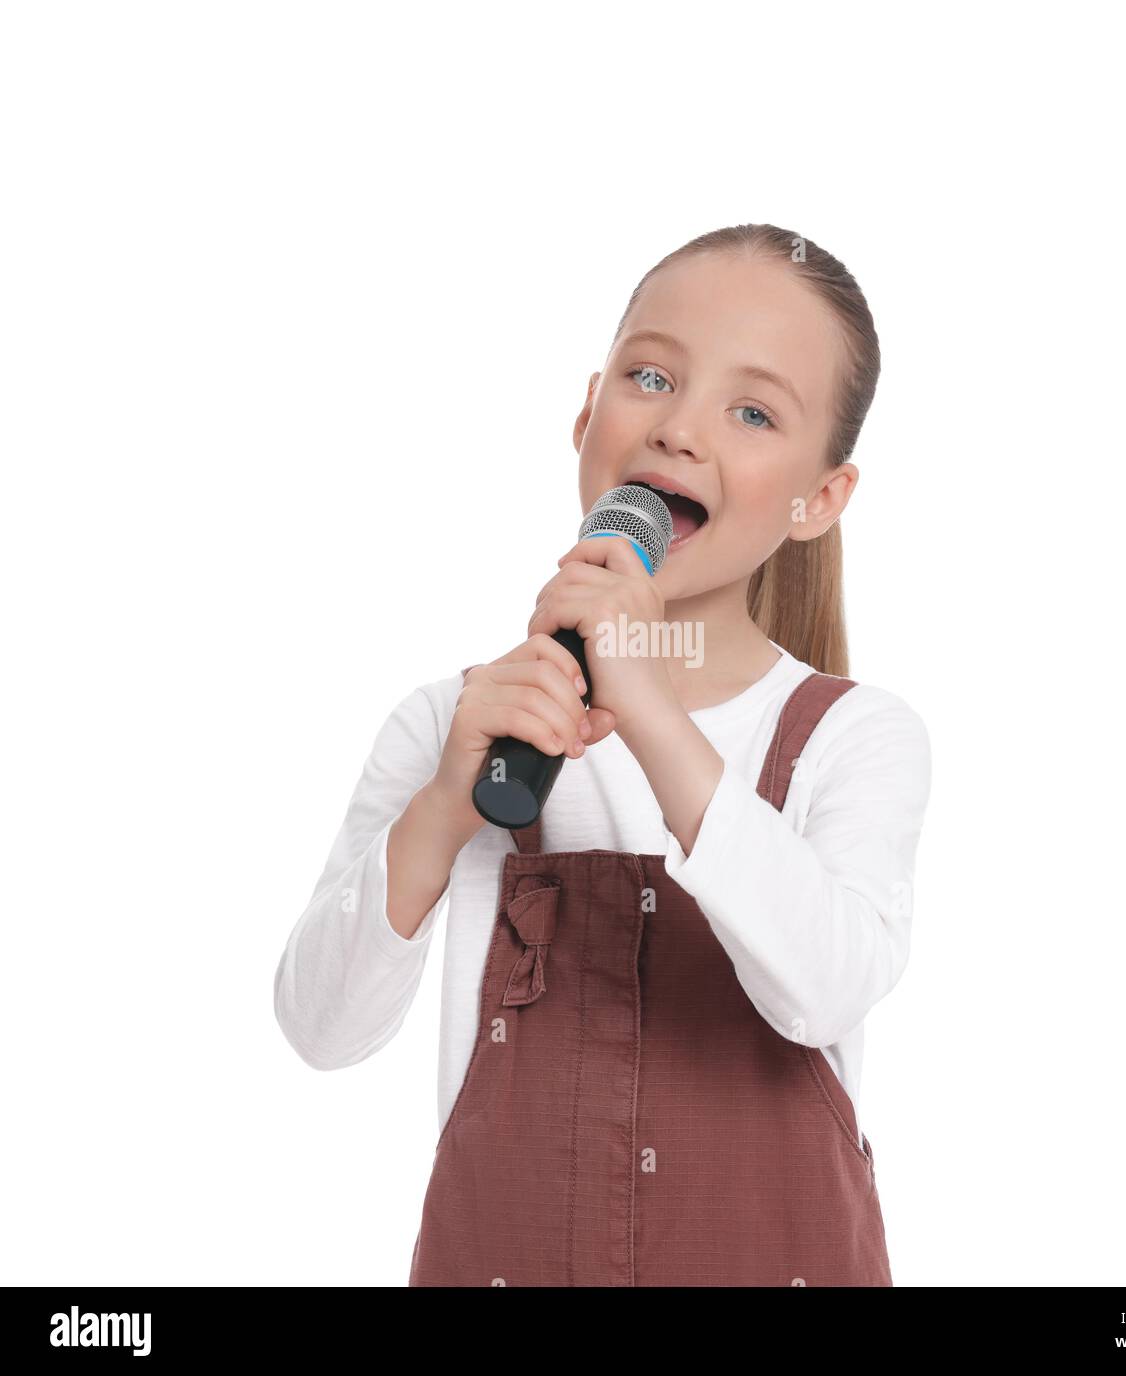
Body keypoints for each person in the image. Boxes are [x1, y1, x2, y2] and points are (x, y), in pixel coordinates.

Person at [273, 223, 931, 1286]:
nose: (678, 428)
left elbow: (826, 984)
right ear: (587, 412)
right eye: (651, 375)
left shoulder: (853, 737)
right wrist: (445, 805)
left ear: (819, 498)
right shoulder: (457, 723)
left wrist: (649, 705)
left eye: (752, 410)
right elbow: (319, 1026)